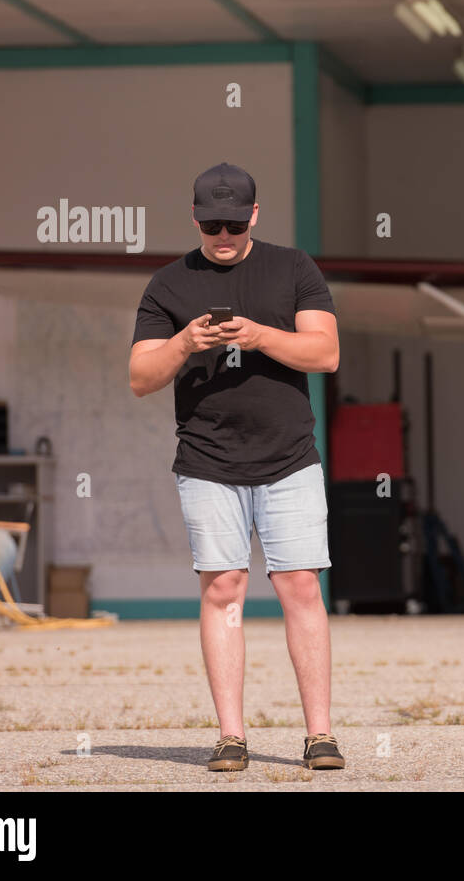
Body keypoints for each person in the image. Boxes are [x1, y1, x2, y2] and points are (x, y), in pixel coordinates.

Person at [128, 162, 343, 772]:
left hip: (290, 458)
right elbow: (141, 378)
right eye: (210, 224)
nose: (222, 235)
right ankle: (230, 737)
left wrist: (256, 335)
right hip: (207, 461)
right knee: (223, 589)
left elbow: (325, 352)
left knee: (300, 587)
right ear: (194, 218)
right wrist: (184, 343)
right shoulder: (167, 285)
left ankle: (320, 735)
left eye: (232, 223)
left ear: (254, 214)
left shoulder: (294, 267)